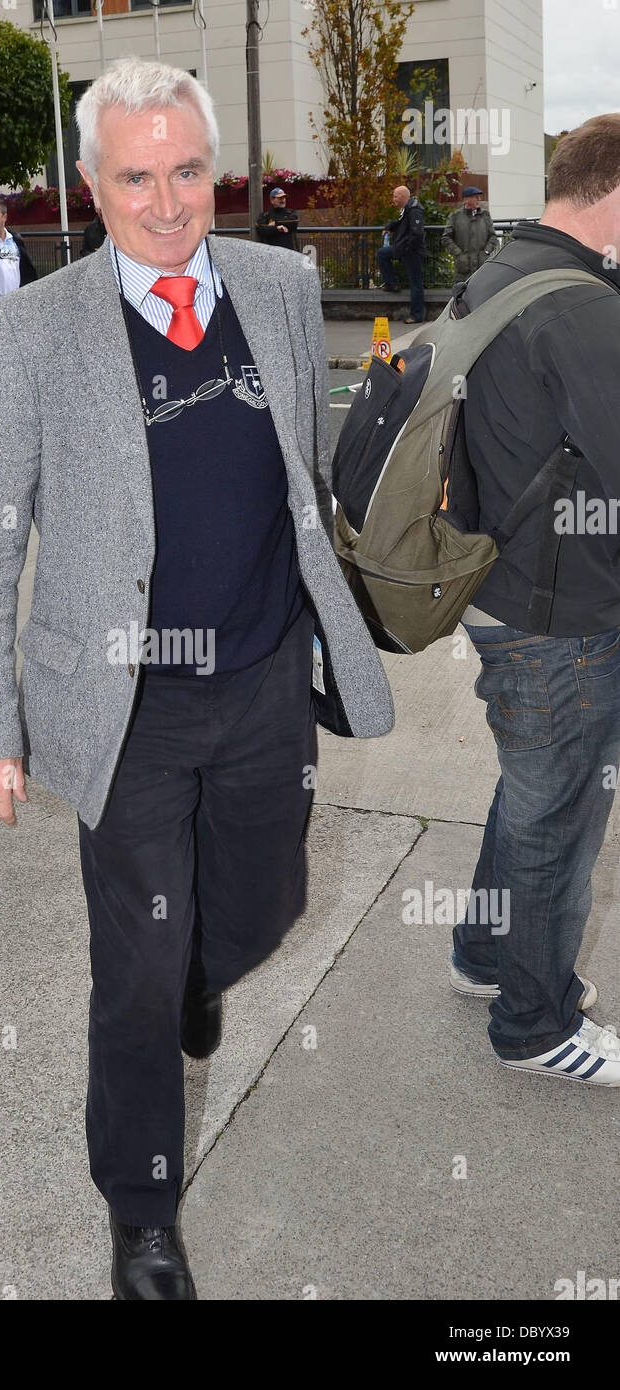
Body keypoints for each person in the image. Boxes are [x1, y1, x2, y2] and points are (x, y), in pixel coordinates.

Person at [0, 56, 393, 1299]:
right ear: (92, 186)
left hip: (259, 679)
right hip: (121, 703)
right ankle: (141, 1208)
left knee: (262, 907)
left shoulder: (282, 286)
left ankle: (204, 966)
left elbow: (298, 476)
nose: (165, 202)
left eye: (185, 170)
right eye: (135, 177)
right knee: (137, 973)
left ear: (214, 171)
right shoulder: (34, 330)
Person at [452, 112, 620, 1085]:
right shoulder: (584, 308)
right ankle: (534, 1023)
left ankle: (483, 953)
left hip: (502, 586)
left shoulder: (502, 270)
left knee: (531, 790)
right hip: (564, 613)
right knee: (559, 813)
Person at [377, 184, 427, 322]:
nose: (393, 199)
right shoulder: (407, 209)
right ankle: (391, 283)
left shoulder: (414, 210)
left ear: (403, 197)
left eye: (395, 196)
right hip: (403, 249)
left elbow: (417, 234)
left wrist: (406, 249)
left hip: (412, 252)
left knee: (415, 283)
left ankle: (417, 315)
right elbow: (399, 223)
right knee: (382, 253)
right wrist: (388, 227)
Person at [441, 185, 499, 280]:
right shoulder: (455, 216)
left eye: (479, 197)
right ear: (466, 200)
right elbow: (446, 238)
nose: (479, 200)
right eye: (476, 197)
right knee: (462, 292)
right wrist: (459, 254)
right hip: (463, 268)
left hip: (482, 266)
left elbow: (493, 236)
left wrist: (486, 252)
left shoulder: (485, 215)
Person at [256, 186, 300, 251]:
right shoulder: (266, 215)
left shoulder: (291, 212)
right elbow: (260, 228)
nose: (283, 200)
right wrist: (277, 228)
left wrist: (274, 223)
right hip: (272, 253)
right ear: (272, 200)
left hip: (290, 252)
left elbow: (294, 222)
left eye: (284, 197)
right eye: (280, 198)